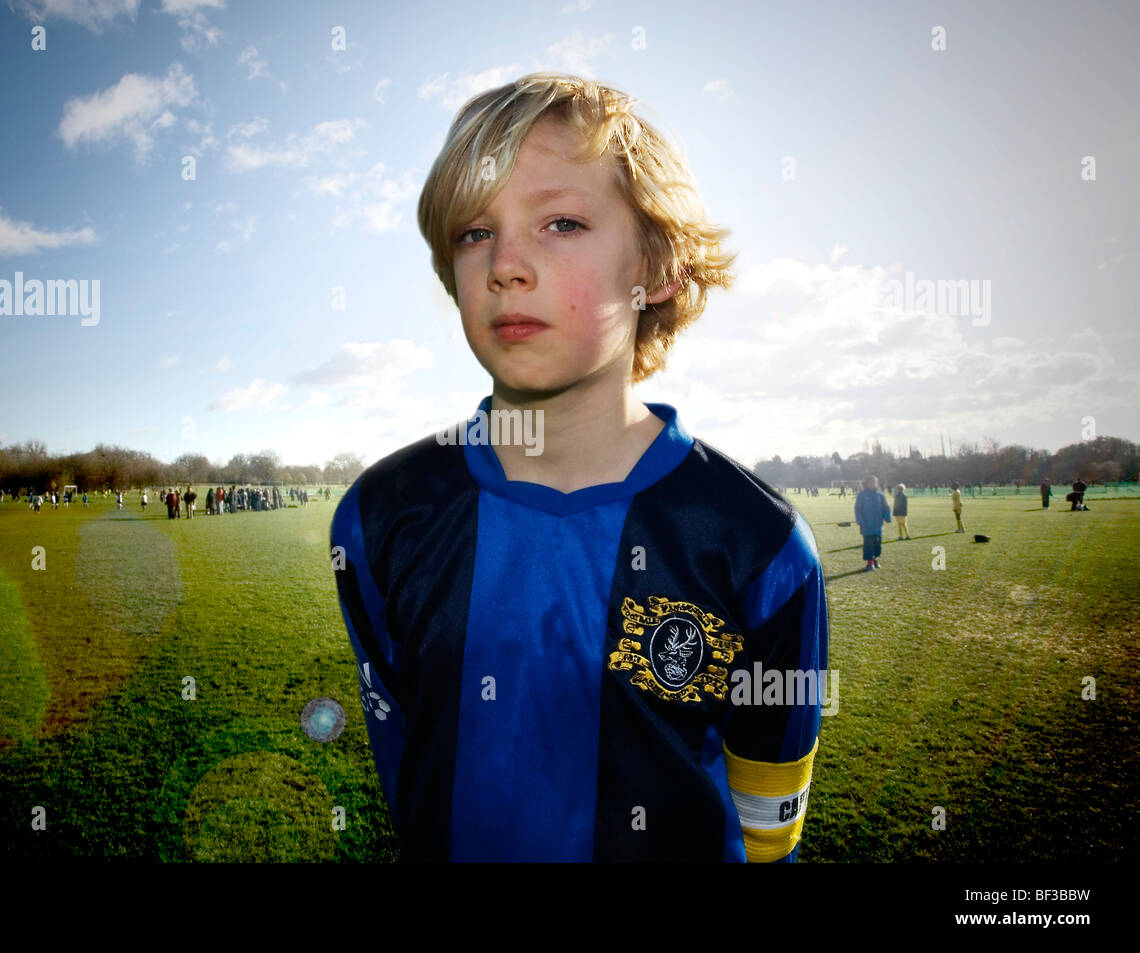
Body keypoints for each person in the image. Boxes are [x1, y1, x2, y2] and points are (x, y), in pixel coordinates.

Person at [329, 74, 825, 863]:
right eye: (472, 232)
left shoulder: (759, 545)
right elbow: (409, 763)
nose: (505, 265)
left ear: (657, 269)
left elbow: (768, 832)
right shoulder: (380, 514)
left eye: (561, 221)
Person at [854, 476, 891, 569]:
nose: (873, 484)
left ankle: (875, 559)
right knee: (868, 545)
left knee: (877, 545)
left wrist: (887, 517)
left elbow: (885, 507)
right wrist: (859, 520)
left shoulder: (880, 495)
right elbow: (857, 509)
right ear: (867, 483)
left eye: (875, 482)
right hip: (866, 526)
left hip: (878, 526)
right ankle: (869, 563)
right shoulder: (862, 495)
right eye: (871, 482)